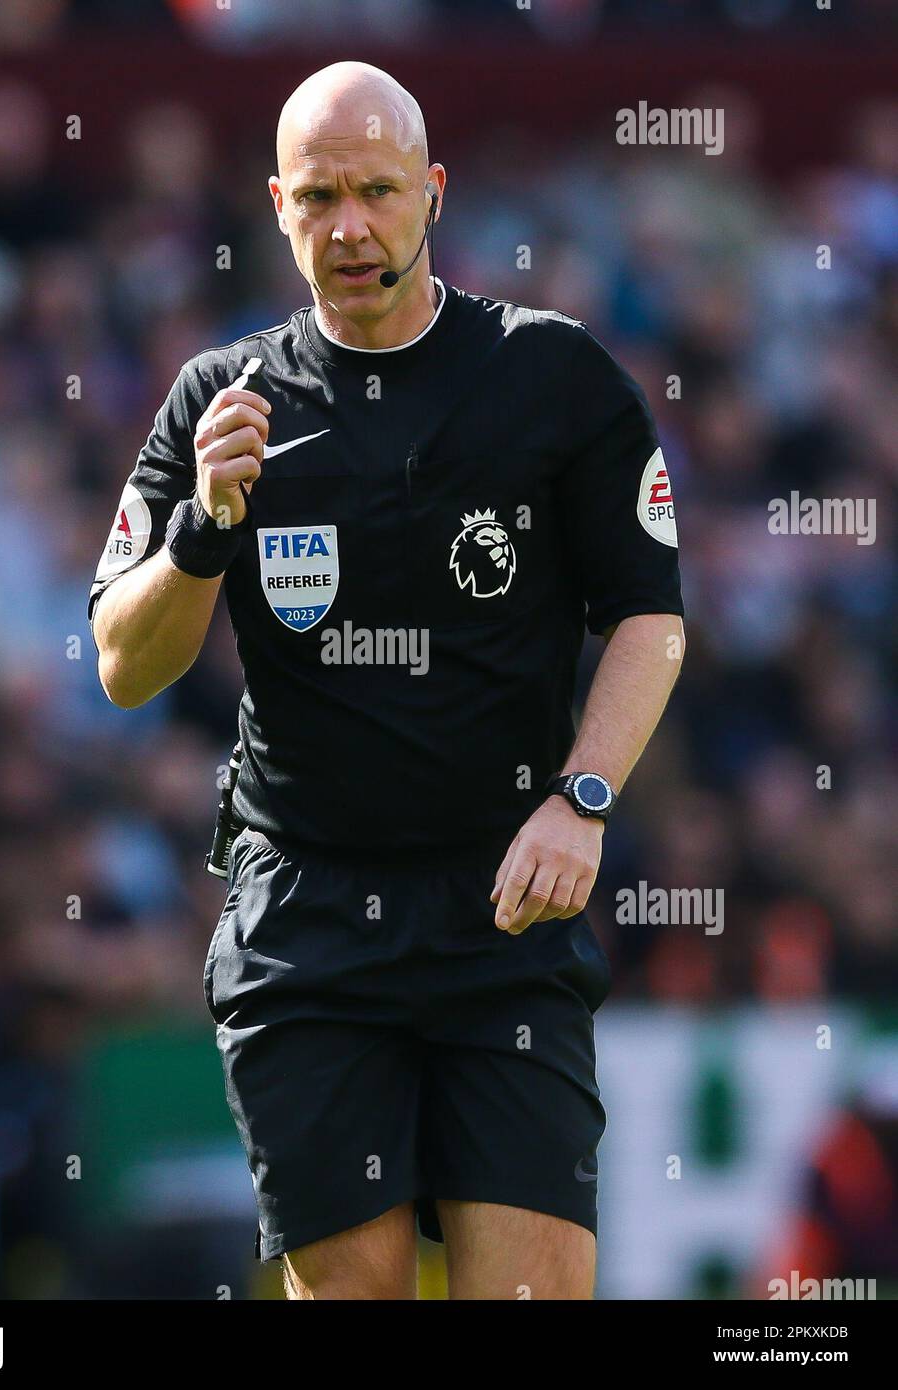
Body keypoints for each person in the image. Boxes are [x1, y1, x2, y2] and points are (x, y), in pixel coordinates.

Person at [89, 61, 685, 1300]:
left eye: (375, 191)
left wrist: (580, 799)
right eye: (318, 198)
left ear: (432, 193)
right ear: (276, 207)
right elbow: (122, 666)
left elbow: (647, 616)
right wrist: (203, 525)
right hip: (307, 923)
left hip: (502, 910)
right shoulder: (219, 402)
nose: (349, 227)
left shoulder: (552, 379)